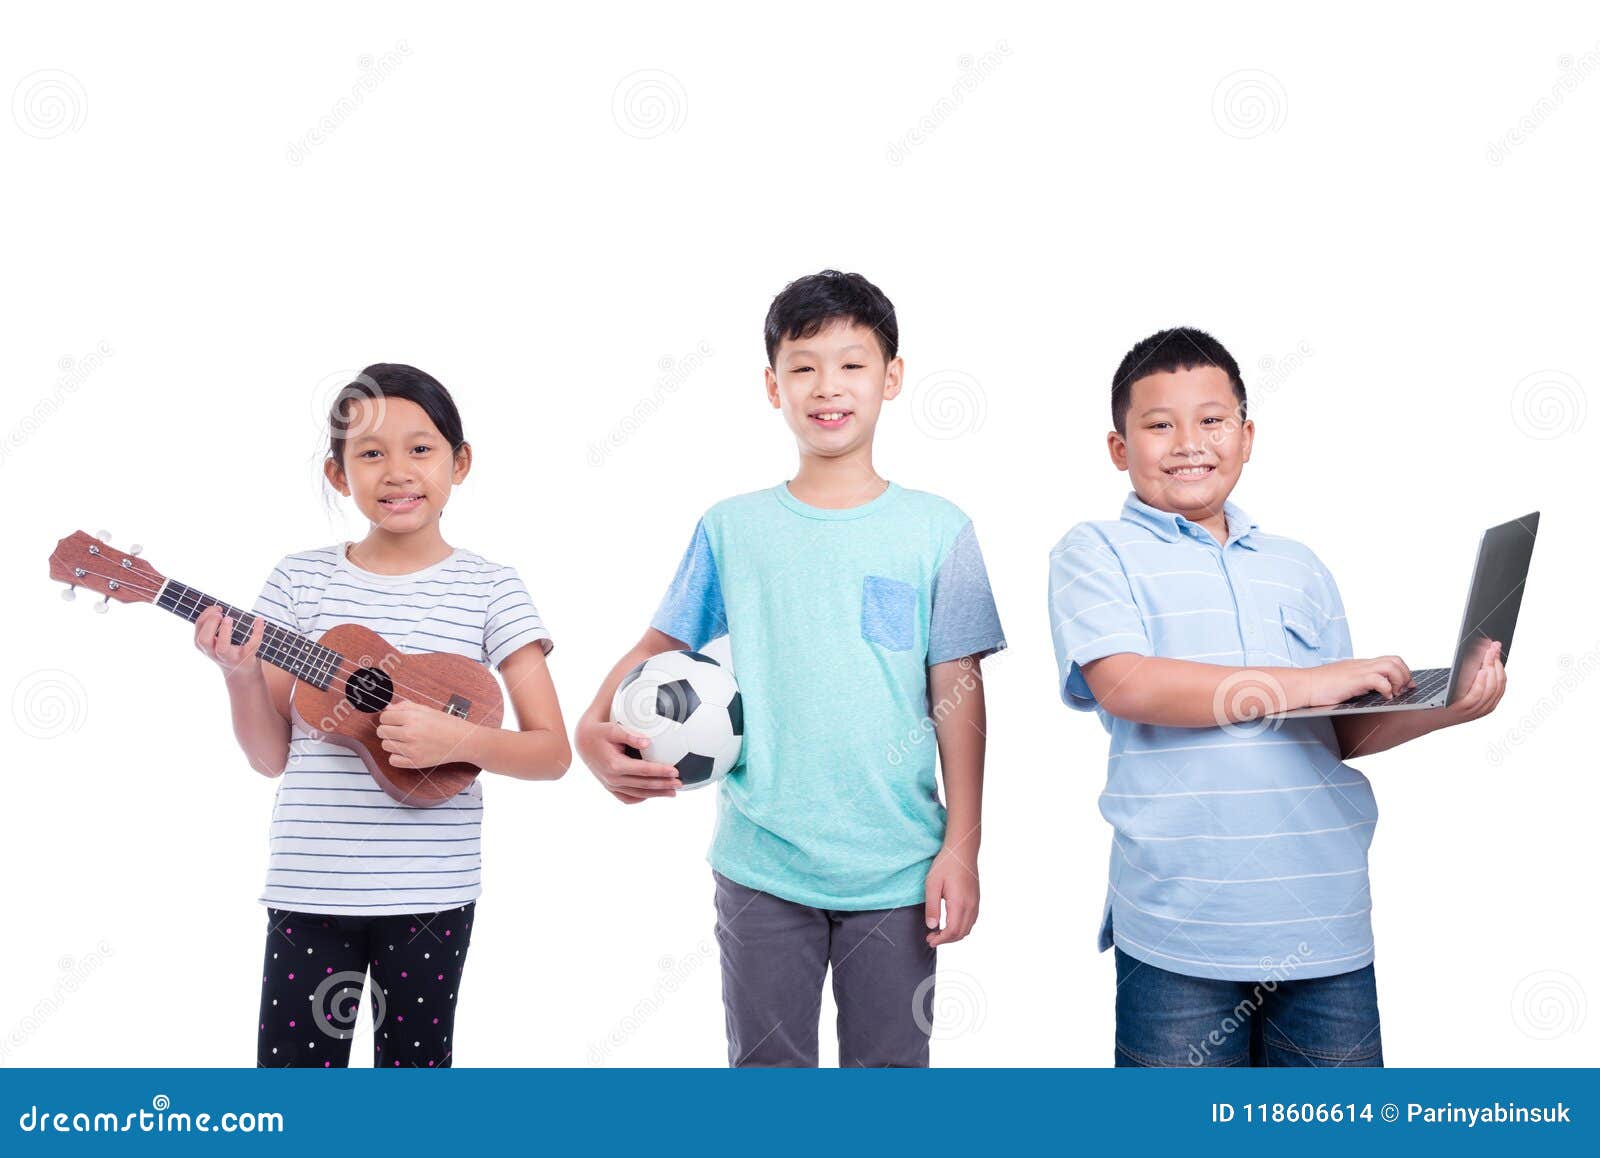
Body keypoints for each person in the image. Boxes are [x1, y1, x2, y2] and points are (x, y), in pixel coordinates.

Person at [575, 271, 1006, 1066]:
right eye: (803, 367)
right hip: (761, 865)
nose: (827, 386)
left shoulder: (938, 531)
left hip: (898, 868)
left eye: (852, 364)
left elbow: (960, 694)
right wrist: (589, 729)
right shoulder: (732, 528)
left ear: (892, 377)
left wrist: (962, 846)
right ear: (773, 386)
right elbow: (656, 648)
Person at [1048, 327, 1508, 1067]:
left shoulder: (1299, 566)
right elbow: (1127, 683)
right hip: (1180, 928)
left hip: (1324, 922)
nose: (1189, 443)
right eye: (1159, 425)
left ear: (1247, 435)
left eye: (1212, 420)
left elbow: (1340, 733)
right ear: (1118, 448)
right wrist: (1310, 681)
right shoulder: (1095, 550)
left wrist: (1446, 707)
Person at [194, 363, 569, 1067]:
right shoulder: (299, 581)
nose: (397, 472)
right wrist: (239, 676)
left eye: (420, 449)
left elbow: (551, 753)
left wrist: (457, 738)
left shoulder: (491, 589)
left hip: (432, 893)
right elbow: (269, 757)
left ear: (460, 462)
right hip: (309, 886)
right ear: (338, 474)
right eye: (370, 453)